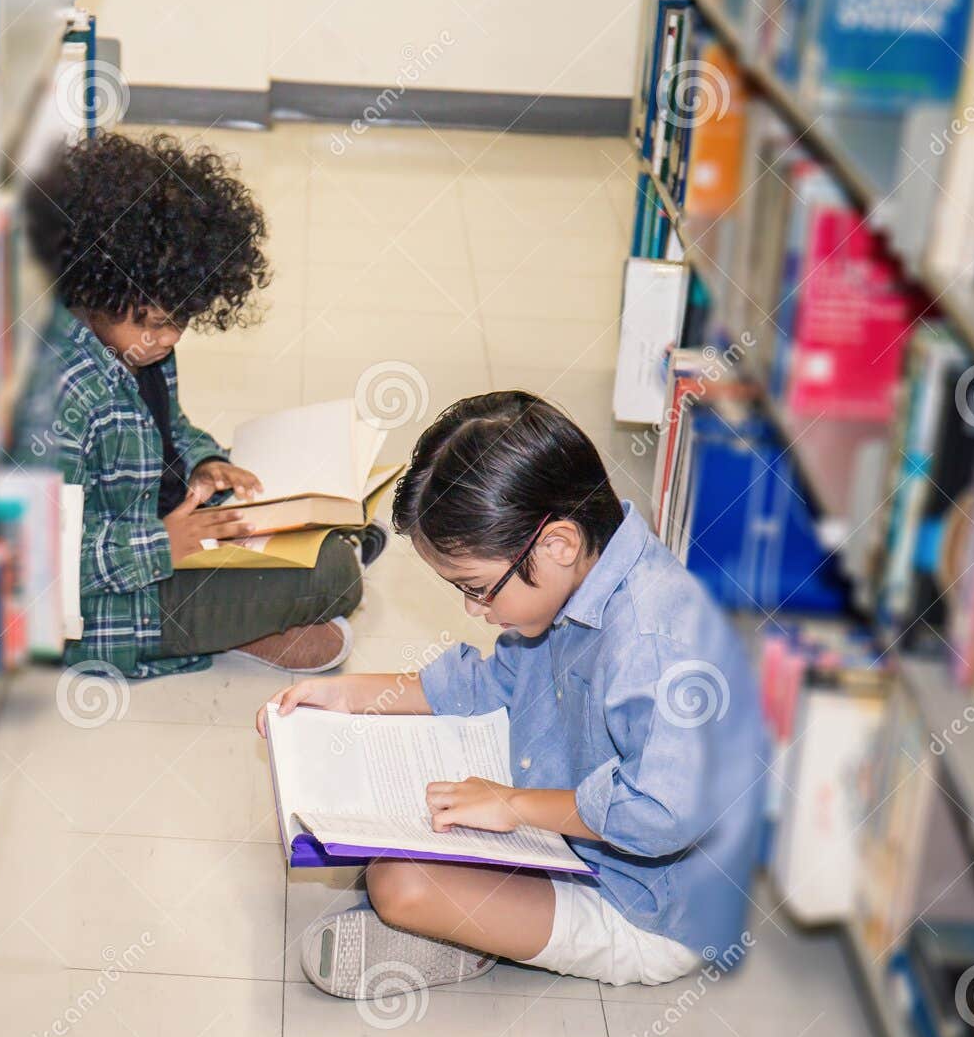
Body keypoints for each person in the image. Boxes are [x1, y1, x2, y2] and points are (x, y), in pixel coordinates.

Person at [259, 391, 768, 993]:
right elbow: (492, 681)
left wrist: (514, 805)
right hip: (566, 827)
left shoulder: (652, 641)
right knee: (395, 805)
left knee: (399, 883)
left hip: (643, 906)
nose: (475, 610)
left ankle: (470, 942)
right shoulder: (575, 580)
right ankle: (479, 914)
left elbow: (660, 815)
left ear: (557, 545)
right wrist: (349, 695)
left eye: (478, 588)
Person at [13, 132, 376, 680]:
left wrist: (205, 460)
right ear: (94, 285)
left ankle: (273, 601)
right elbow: (34, 560)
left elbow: (169, 428)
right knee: (335, 574)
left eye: (181, 321)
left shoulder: (137, 346)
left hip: (173, 526)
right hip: (114, 602)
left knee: (321, 515)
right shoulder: (59, 395)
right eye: (154, 323)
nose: (169, 340)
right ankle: (264, 624)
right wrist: (162, 544)